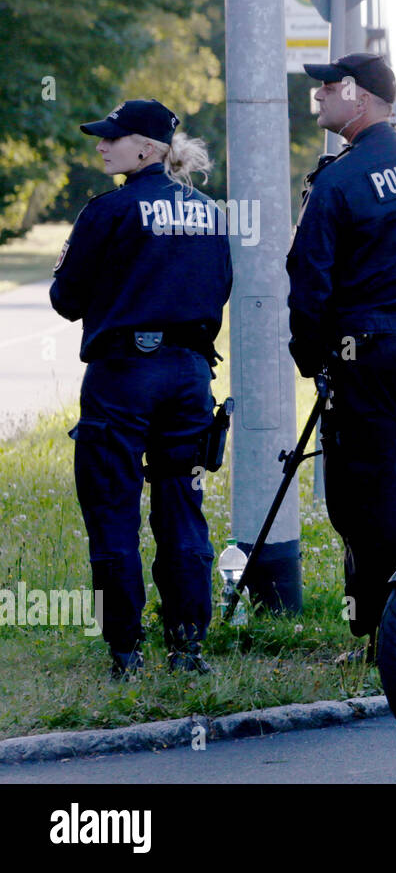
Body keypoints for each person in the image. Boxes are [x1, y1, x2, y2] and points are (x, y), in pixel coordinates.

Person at [286, 53, 396, 659]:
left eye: (327, 89)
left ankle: (389, 637)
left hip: (366, 354)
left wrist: (311, 357)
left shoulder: (340, 179)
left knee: (369, 494)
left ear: (359, 97)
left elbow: (309, 280)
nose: (318, 99)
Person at [51, 99, 232, 679]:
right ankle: (187, 649)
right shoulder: (211, 213)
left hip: (122, 376)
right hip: (187, 376)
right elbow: (219, 291)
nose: (102, 147)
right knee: (182, 507)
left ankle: (125, 653)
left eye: (113, 138)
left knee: (112, 513)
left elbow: (65, 300)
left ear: (147, 148)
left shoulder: (107, 211)